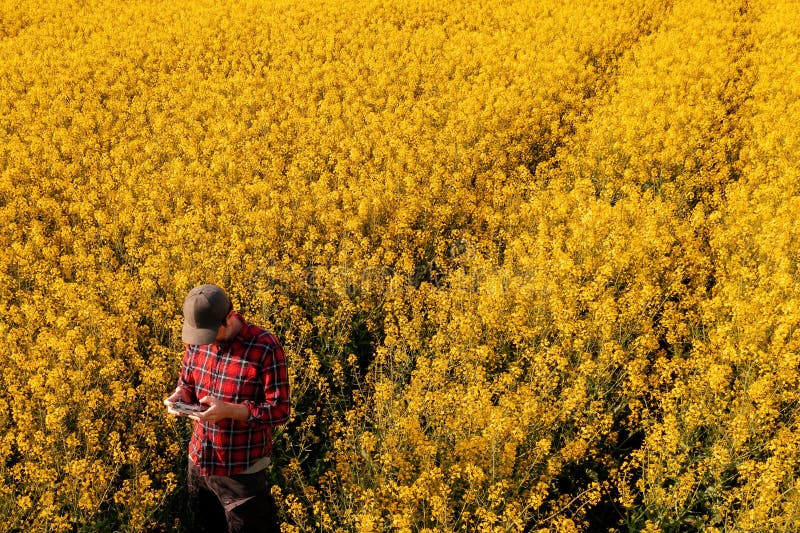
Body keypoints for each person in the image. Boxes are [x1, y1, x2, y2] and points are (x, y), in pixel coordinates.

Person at [164, 283, 290, 533]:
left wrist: (230, 411)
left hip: (241, 473)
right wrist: (181, 395)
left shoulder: (265, 347)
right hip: (199, 461)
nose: (204, 342)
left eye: (210, 334)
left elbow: (279, 410)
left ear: (229, 318)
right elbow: (188, 381)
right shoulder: (198, 340)